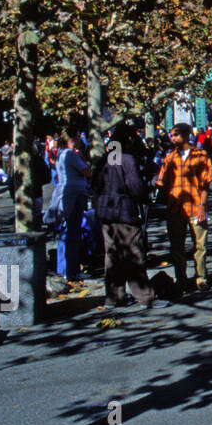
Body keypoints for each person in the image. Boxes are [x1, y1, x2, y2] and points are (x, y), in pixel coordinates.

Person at [93, 123, 157, 308]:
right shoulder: (127, 159)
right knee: (133, 253)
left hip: (106, 212)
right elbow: (136, 187)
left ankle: (114, 296)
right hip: (124, 211)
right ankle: (144, 296)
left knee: (112, 254)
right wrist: (147, 191)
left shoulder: (107, 158)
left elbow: (96, 185)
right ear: (128, 139)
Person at [155, 122, 212, 295]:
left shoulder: (201, 155)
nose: (172, 138)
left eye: (175, 134)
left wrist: (202, 206)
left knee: (200, 246)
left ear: (187, 135)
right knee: (177, 246)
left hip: (196, 207)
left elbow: (206, 184)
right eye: (171, 135)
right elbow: (161, 182)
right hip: (175, 209)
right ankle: (181, 279)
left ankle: (201, 277)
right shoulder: (170, 158)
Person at [50, 128, 93, 281]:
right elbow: (87, 172)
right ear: (73, 138)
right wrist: (85, 162)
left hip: (66, 193)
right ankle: (71, 270)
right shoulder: (70, 154)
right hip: (75, 194)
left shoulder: (61, 154)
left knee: (66, 232)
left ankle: (64, 269)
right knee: (73, 233)